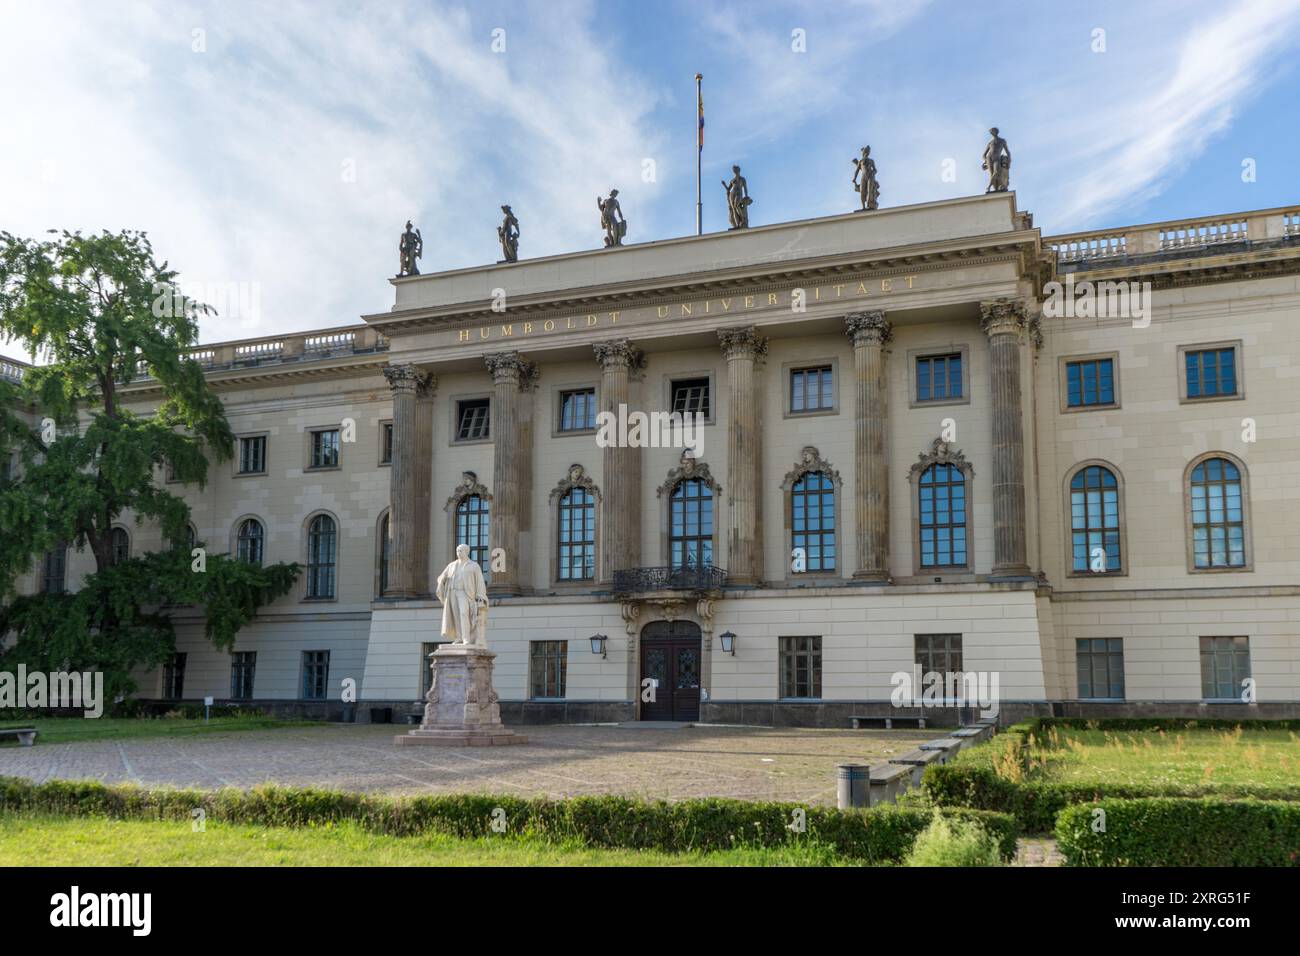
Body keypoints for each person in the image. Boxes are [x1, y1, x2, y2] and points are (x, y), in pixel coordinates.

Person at [435, 544, 489, 647]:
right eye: (457, 551)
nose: (458, 553)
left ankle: (466, 638)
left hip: (465, 594)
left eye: (461, 551)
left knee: (464, 614)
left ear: (467, 552)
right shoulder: (452, 565)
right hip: (452, 593)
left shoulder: (473, 566)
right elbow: (442, 577)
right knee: (456, 616)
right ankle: (459, 638)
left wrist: (480, 596)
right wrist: (442, 581)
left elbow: (480, 582)